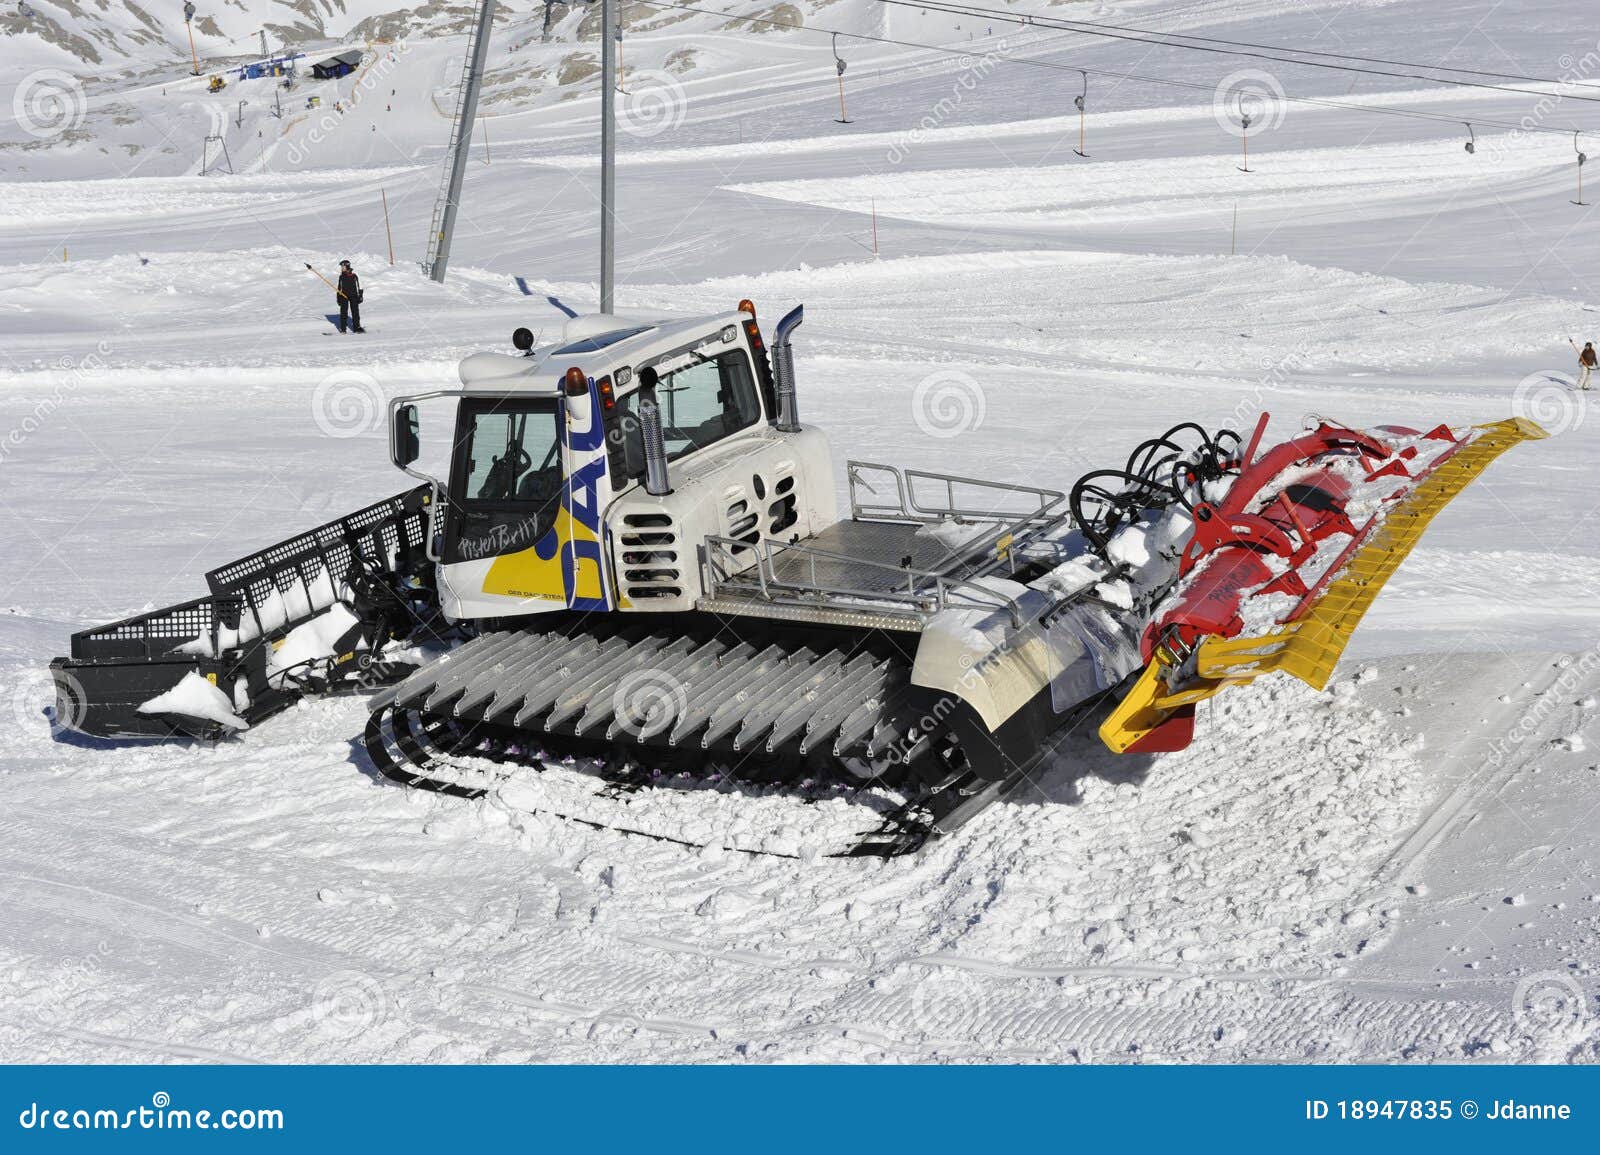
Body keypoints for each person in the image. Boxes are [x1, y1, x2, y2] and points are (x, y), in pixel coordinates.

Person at [336, 260, 364, 333]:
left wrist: (360, 295)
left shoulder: (354, 275)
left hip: (353, 295)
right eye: (341, 266)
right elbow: (339, 287)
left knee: (355, 311)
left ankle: (356, 327)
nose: (342, 268)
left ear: (347, 266)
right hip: (344, 296)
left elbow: (360, 285)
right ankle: (343, 328)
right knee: (343, 312)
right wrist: (338, 297)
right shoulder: (341, 276)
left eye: (343, 266)